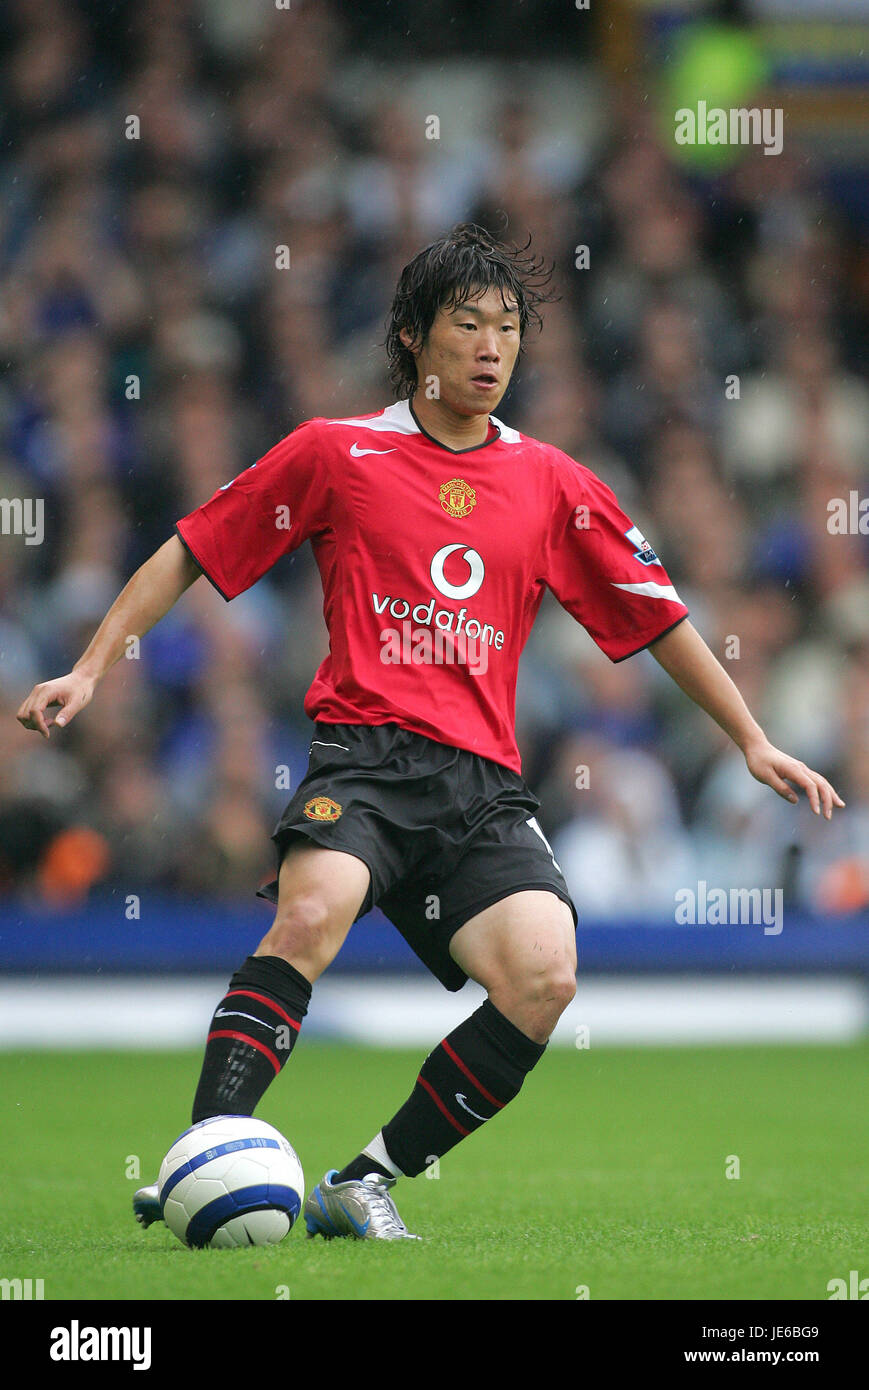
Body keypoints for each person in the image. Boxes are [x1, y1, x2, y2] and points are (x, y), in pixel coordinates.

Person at [16, 224, 844, 1242]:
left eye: (507, 329)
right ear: (414, 337)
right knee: (312, 913)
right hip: (363, 758)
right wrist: (93, 666)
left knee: (545, 974)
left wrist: (750, 739)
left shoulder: (549, 481)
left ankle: (364, 1177)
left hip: (481, 784)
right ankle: (206, 1151)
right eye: (468, 326)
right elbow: (191, 547)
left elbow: (658, 614)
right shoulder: (337, 452)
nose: (491, 348)